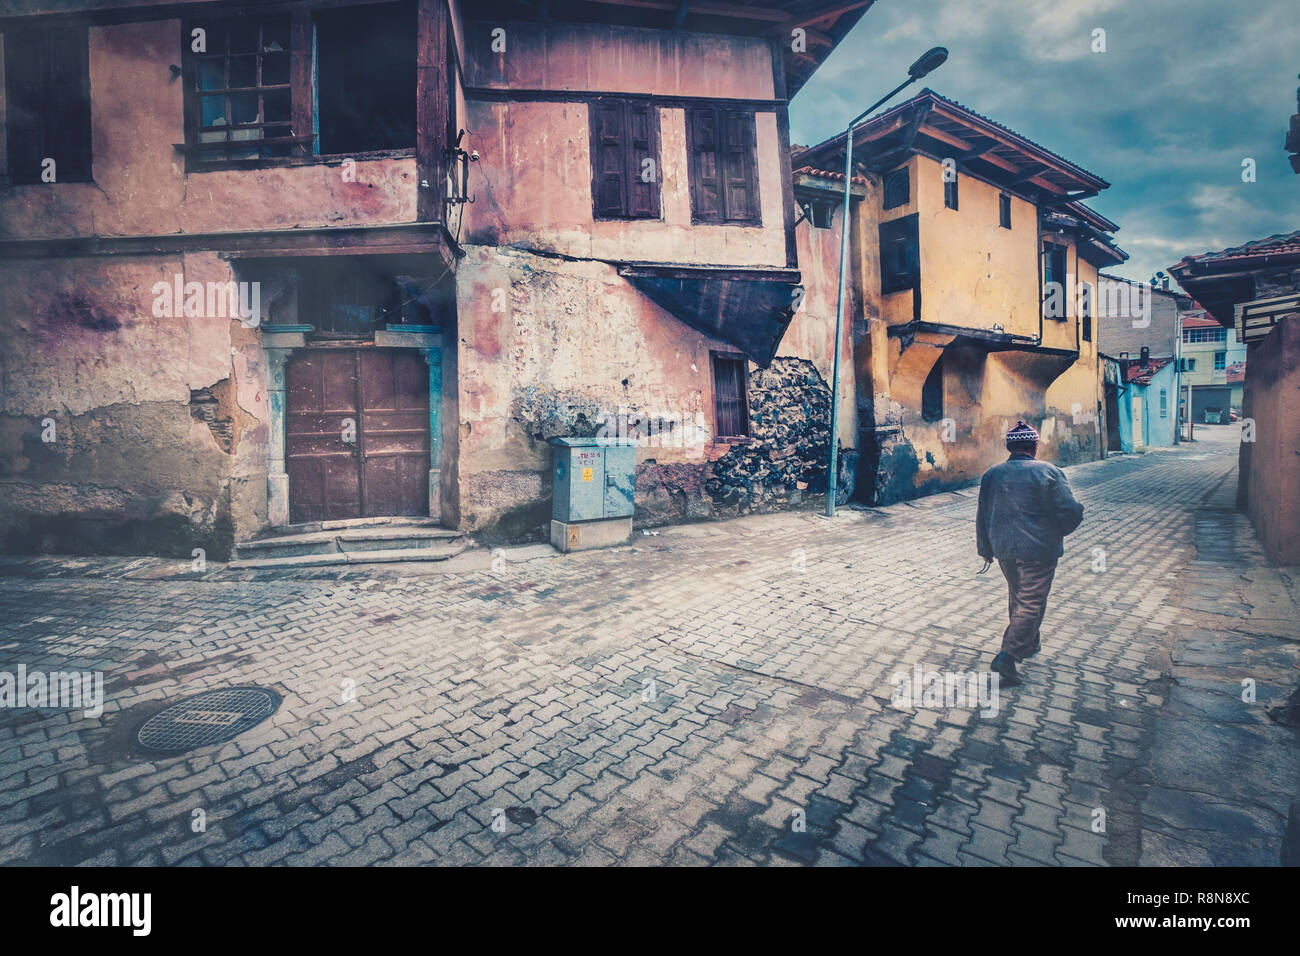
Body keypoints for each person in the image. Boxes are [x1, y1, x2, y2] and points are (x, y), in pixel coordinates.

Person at [976, 420, 1084, 687]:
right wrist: (1061, 527)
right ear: (1034, 446)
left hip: (1004, 549)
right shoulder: (1048, 472)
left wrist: (985, 548)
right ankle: (1008, 656)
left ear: (1010, 447)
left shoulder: (992, 473)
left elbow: (982, 513)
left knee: (1020, 597)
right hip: (1038, 550)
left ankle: (1029, 643)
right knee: (1031, 602)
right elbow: (1070, 511)